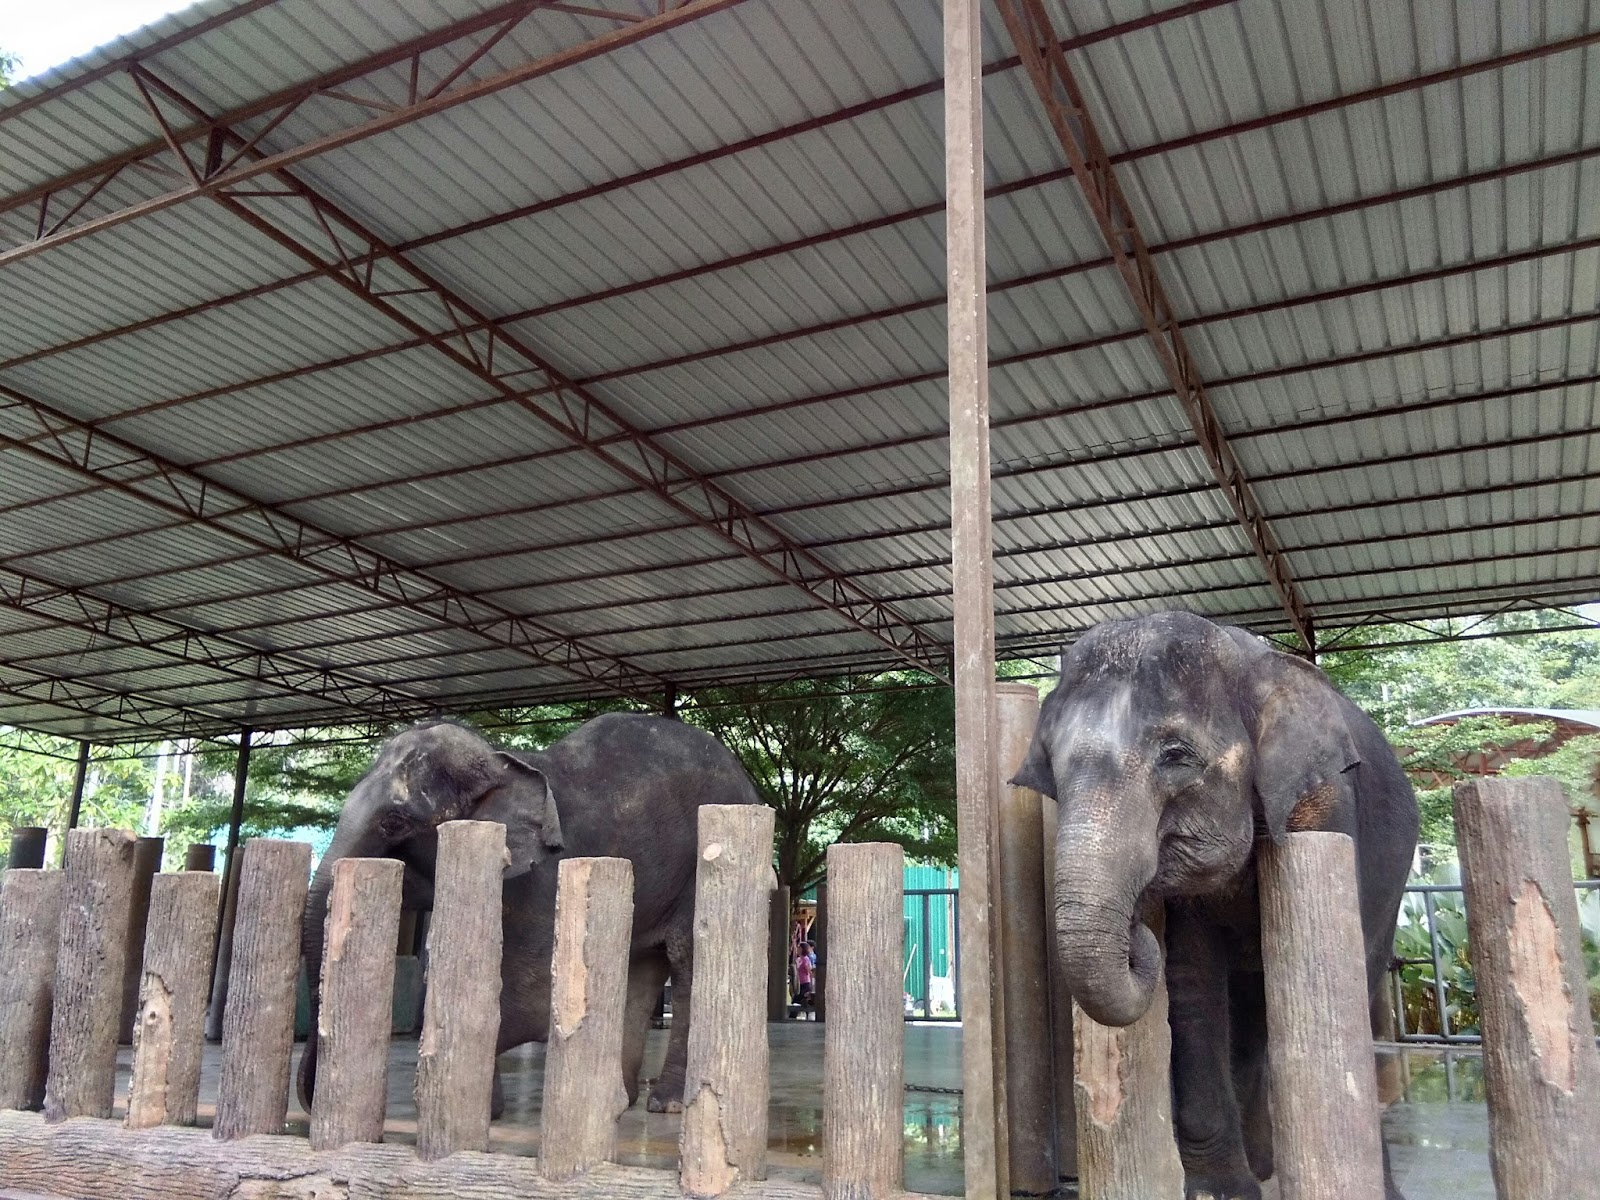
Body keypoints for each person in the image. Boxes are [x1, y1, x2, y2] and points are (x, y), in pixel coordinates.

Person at [795, 940, 815, 1006]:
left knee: (798, 1000)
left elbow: (809, 972)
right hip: (798, 983)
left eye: (799, 948)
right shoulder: (798, 959)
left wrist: (812, 985)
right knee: (796, 1000)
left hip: (805, 983)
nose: (797, 949)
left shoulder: (806, 959)